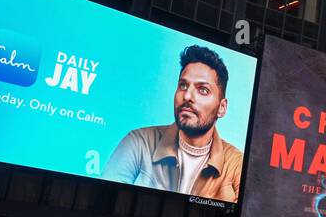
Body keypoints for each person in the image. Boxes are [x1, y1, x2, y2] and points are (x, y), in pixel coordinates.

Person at [103, 45, 244, 200]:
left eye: (203, 89)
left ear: (222, 108)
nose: (187, 96)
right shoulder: (139, 142)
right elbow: (103, 201)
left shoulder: (236, 163)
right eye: (183, 85)